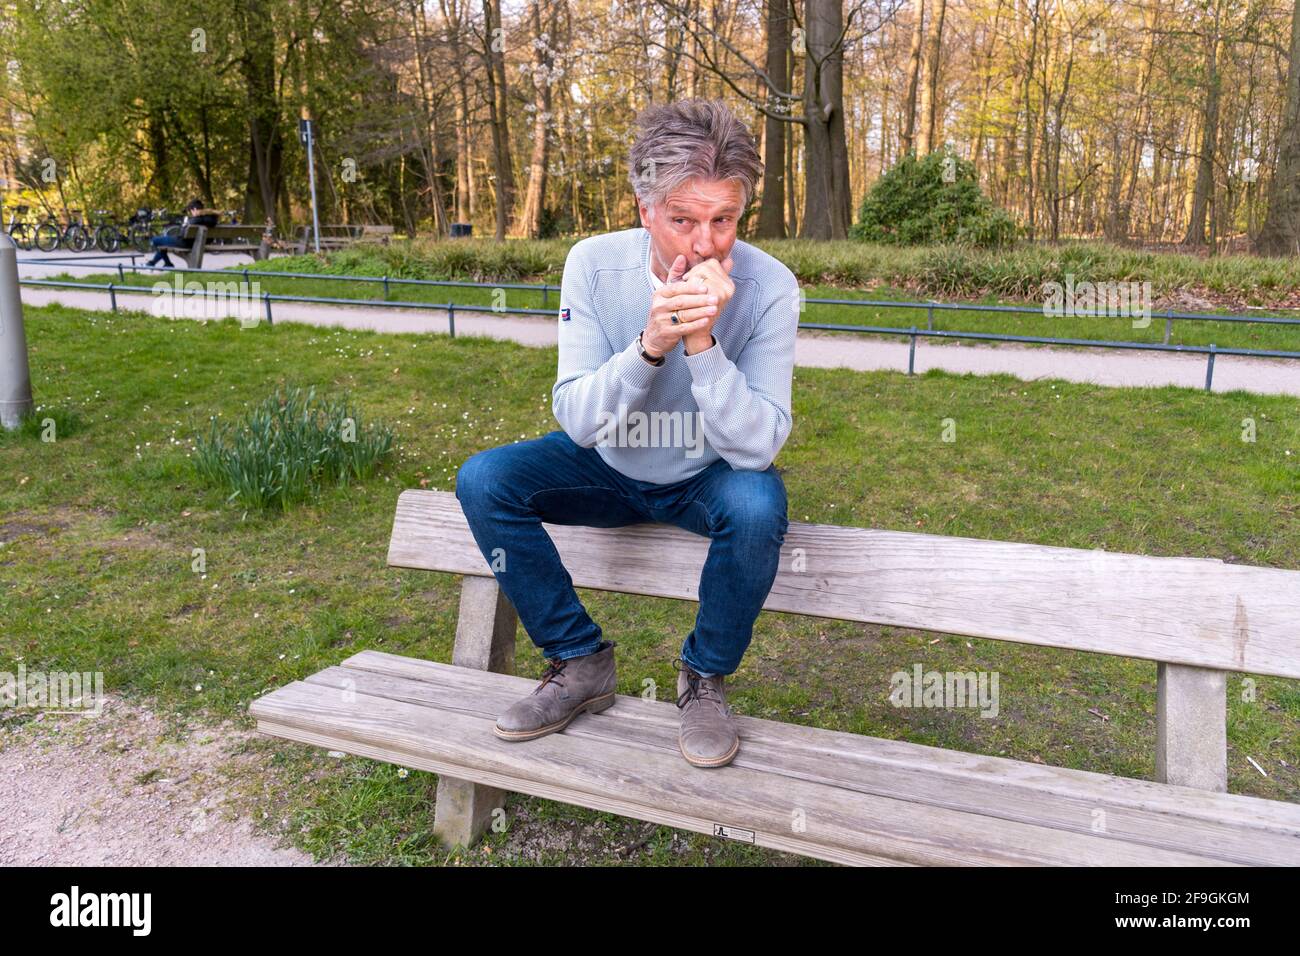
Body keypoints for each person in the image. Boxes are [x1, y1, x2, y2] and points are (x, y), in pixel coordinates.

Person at [455, 98, 801, 768]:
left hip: (706, 473)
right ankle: (579, 661)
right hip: (606, 462)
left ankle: (703, 678)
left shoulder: (772, 288)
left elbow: (758, 448)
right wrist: (651, 344)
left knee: (760, 505)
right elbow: (579, 418)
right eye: (682, 221)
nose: (705, 244)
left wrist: (701, 345)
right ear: (644, 211)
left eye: (723, 220)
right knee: (485, 479)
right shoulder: (593, 264)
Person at [144, 199, 220, 268]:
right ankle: (155, 263)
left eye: (191, 211)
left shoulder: (195, 220)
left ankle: (166, 263)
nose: (191, 213)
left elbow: (183, 234)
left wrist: (184, 225)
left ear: (194, 209)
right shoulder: (212, 220)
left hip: (184, 243)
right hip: (197, 244)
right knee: (162, 244)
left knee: (155, 240)